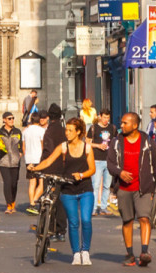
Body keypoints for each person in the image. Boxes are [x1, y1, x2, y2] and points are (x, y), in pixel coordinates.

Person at [36, 116, 96, 263]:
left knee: (86, 220)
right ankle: (76, 253)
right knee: (74, 222)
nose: (67, 133)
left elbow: (92, 169)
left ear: (78, 132)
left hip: (85, 189)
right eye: (66, 130)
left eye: (70, 130)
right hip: (68, 190)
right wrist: (34, 168)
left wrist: (81, 175)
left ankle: (86, 252)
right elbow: (48, 160)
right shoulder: (63, 147)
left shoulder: (87, 147)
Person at [112, 111, 156, 267]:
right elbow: (110, 164)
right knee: (127, 221)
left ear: (135, 125)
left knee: (144, 218)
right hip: (123, 189)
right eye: (122, 122)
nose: (121, 125)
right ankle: (129, 254)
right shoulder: (116, 142)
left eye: (125, 123)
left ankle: (144, 252)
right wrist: (119, 173)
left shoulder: (148, 143)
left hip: (144, 188)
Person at [0, 112, 23, 215]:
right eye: (9, 118)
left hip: (15, 161)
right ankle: (8, 205)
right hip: (4, 161)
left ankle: (13, 203)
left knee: (14, 183)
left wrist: (20, 153)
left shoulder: (17, 131)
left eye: (12, 118)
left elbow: (20, 144)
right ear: (4, 120)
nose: (12, 120)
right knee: (7, 182)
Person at [88, 109, 116, 215]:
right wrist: (98, 146)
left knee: (107, 185)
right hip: (97, 159)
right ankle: (94, 208)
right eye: (104, 117)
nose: (106, 120)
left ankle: (104, 207)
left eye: (108, 118)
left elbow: (116, 141)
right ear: (100, 116)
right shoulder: (93, 128)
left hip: (109, 160)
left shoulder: (112, 128)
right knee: (95, 184)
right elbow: (87, 143)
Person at [22, 109, 49, 205]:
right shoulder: (42, 131)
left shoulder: (25, 131)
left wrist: (26, 157)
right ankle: (34, 201)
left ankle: (31, 203)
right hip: (39, 158)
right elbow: (43, 146)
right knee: (41, 183)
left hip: (29, 159)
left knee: (32, 183)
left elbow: (23, 146)